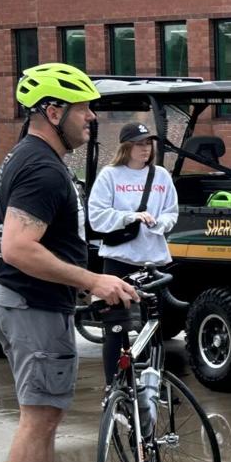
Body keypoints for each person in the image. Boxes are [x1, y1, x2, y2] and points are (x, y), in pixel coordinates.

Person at [0, 63, 138, 462]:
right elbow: (18, 247)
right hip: (31, 306)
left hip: (30, 302)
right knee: (38, 420)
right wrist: (92, 280)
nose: (91, 118)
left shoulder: (32, 157)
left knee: (46, 418)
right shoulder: (41, 168)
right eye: (83, 108)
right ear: (53, 111)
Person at [87, 121, 179, 385]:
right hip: (120, 261)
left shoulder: (161, 175)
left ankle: (151, 385)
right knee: (116, 328)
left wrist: (160, 223)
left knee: (153, 329)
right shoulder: (110, 175)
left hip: (153, 263)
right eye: (139, 144)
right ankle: (114, 386)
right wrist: (130, 217)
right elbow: (97, 217)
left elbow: (172, 212)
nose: (145, 149)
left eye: (148, 143)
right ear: (126, 146)